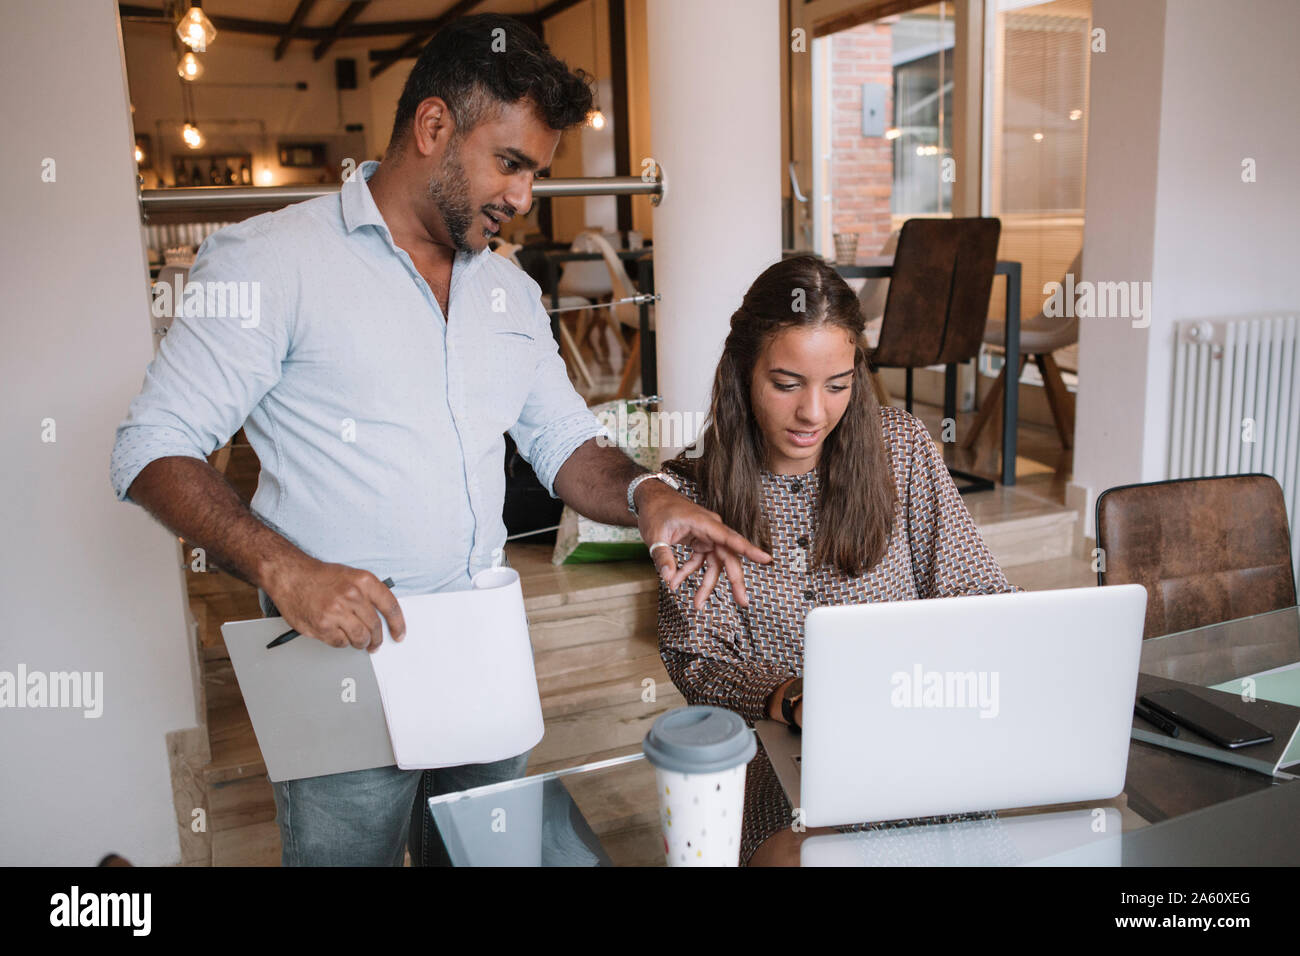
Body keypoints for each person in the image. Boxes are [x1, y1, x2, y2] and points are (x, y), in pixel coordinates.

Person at [111, 13, 769, 867]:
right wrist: (284, 569)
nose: (525, 196)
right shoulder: (271, 263)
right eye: (512, 162)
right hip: (335, 656)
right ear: (433, 128)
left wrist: (650, 495)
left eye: (536, 171)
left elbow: (565, 441)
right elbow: (151, 447)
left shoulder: (508, 290)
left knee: (490, 860)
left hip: (479, 653)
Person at [656, 255, 1019, 867]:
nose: (814, 413)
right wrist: (793, 696)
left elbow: (979, 593)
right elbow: (699, 662)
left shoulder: (901, 449)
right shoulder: (691, 496)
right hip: (775, 757)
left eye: (838, 385)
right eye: (787, 383)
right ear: (743, 370)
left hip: (914, 739)